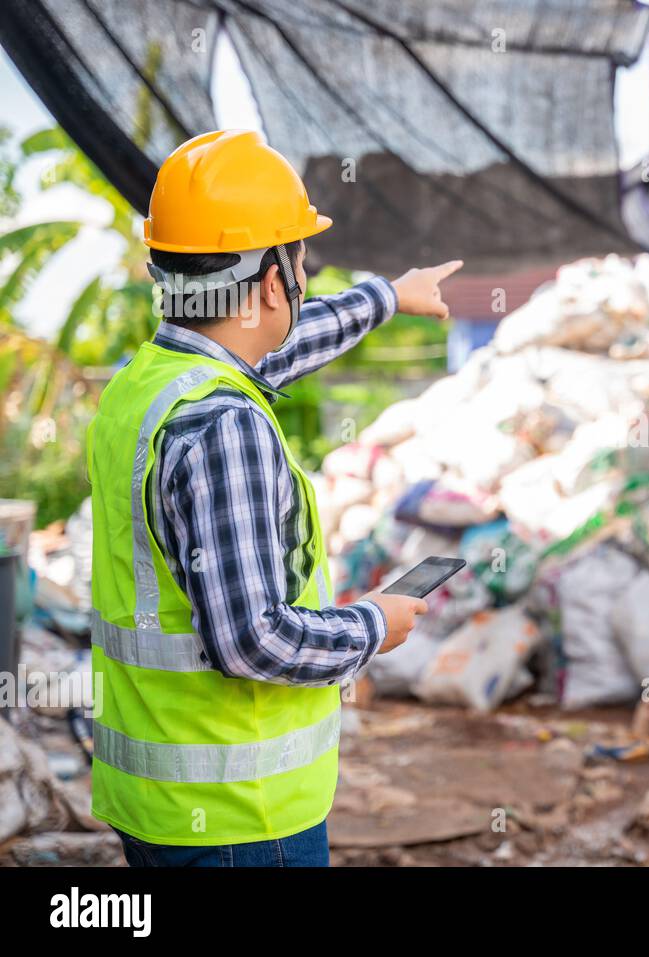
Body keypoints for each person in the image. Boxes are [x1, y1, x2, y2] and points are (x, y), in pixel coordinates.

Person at [87, 129, 462, 867]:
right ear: (269, 285)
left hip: (157, 805)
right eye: (298, 262)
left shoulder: (146, 383)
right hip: (242, 820)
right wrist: (370, 625)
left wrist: (388, 296)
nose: (303, 279)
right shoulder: (227, 426)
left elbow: (277, 344)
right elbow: (252, 639)